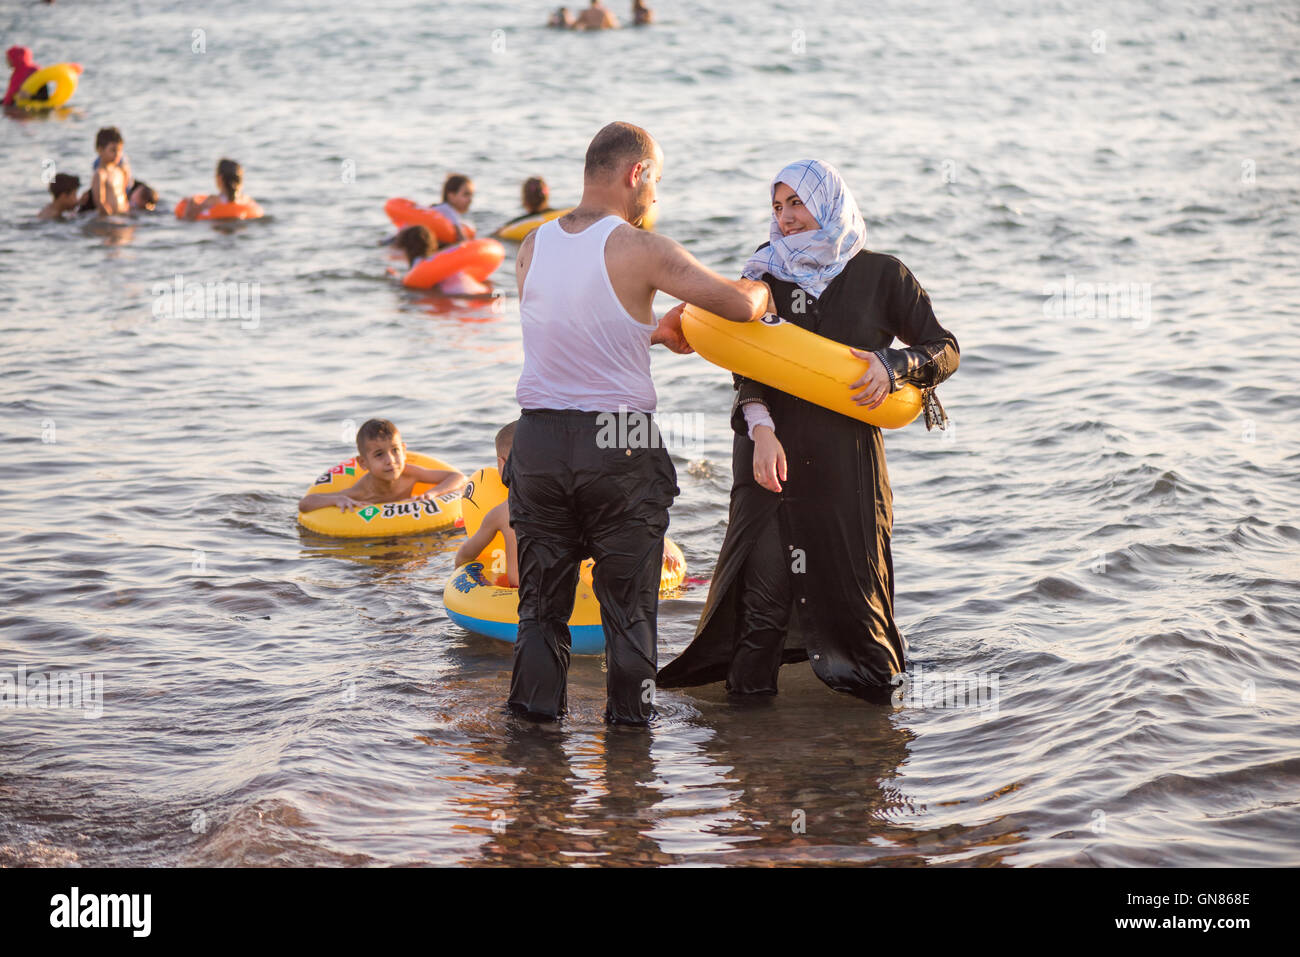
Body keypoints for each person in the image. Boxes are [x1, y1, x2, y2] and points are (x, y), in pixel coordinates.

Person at [656, 160, 960, 703]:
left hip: (848, 466)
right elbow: (745, 363)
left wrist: (893, 366)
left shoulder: (882, 275)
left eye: (797, 202)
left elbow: (944, 348)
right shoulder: (763, 276)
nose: (787, 218)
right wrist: (761, 429)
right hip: (768, 452)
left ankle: (865, 748)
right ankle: (748, 753)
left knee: (856, 600)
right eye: (777, 207)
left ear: (827, 202)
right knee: (760, 603)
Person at [504, 121, 770, 726]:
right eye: (657, 183)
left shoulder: (532, 245)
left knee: (540, 613)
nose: (655, 199)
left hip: (539, 439)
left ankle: (532, 756)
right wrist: (761, 285)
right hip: (616, 441)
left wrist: (647, 331)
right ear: (636, 174)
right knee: (629, 613)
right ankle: (629, 763)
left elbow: (569, 330)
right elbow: (735, 304)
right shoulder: (641, 247)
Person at [456, 419, 684, 587]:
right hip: (579, 586)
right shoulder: (581, 499)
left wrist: (476, 581)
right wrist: (659, 543)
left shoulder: (501, 513)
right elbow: (627, 520)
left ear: (502, 464)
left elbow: (465, 555)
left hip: (527, 591)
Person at [298, 418, 466, 513]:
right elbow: (305, 503)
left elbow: (457, 477)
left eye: (395, 450)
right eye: (379, 454)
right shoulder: (362, 491)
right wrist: (338, 499)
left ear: (404, 451)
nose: (390, 460)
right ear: (363, 463)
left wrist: (433, 493)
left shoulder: (410, 473)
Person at [183, 158, 252, 220]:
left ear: (220, 178)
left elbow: (189, 218)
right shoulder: (245, 199)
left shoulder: (213, 200)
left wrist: (190, 202)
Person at [88, 127, 130, 216]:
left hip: (122, 215)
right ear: (100, 150)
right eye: (113, 150)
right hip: (109, 219)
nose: (117, 154)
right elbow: (100, 202)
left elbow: (124, 194)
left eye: (119, 150)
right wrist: (110, 217)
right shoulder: (100, 174)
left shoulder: (120, 171)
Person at [431, 173, 475, 241]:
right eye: (466, 194)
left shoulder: (439, 208)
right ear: (451, 196)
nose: (470, 200)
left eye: (471, 195)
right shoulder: (448, 210)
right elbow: (462, 240)